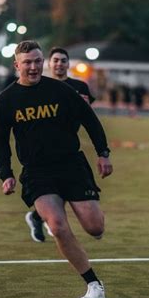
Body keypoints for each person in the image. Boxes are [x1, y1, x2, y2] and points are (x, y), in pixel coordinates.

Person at [0, 41, 112, 298]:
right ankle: (93, 284)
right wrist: (6, 174)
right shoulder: (7, 100)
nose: (33, 67)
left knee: (95, 227)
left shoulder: (61, 91)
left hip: (71, 165)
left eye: (37, 61)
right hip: (38, 173)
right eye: (27, 62)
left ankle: (87, 217)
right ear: (16, 65)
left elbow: (90, 120)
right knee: (57, 226)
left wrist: (103, 153)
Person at [24, 47, 97, 243]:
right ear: (49, 63)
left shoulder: (79, 87)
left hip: (67, 145)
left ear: (68, 64)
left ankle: (38, 217)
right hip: (43, 149)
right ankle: (45, 217)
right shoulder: (37, 86)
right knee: (57, 186)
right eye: (55, 60)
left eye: (63, 60)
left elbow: (88, 115)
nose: (59, 64)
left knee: (64, 186)